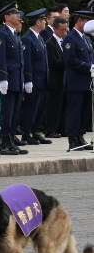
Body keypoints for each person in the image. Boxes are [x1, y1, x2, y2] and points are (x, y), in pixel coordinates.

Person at [0, 2, 27, 155]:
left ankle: (11, 140)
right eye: (14, 13)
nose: (18, 16)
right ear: (6, 17)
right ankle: (4, 142)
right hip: (8, 79)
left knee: (15, 113)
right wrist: (3, 78)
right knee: (6, 112)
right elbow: (0, 58)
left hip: (17, 79)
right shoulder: (1, 33)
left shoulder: (14, 33)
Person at [19, 9, 52, 145]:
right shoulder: (27, 38)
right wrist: (28, 80)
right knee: (31, 108)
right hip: (34, 80)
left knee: (40, 108)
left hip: (43, 79)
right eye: (43, 20)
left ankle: (35, 130)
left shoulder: (39, 37)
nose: (44, 22)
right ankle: (26, 133)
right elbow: (27, 62)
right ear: (38, 22)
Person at [63, 10, 94, 150]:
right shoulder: (70, 38)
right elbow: (71, 60)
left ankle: (81, 136)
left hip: (87, 82)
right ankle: (73, 138)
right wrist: (89, 67)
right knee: (74, 111)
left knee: (84, 111)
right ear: (80, 21)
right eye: (87, 22)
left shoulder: (87, 39)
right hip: (76, 82)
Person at [44, 17, 68, 138]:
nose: (64, 32)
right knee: (53, 105)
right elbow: (53, 61)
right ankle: (50, 129)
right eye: (62, 30)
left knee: (62, 105)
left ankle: (61, 128)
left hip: (64, 79)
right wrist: (68, 62)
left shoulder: (65, 42)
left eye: (65, 30)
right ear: (55, 29)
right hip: (54, 79)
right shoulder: (50, 43)